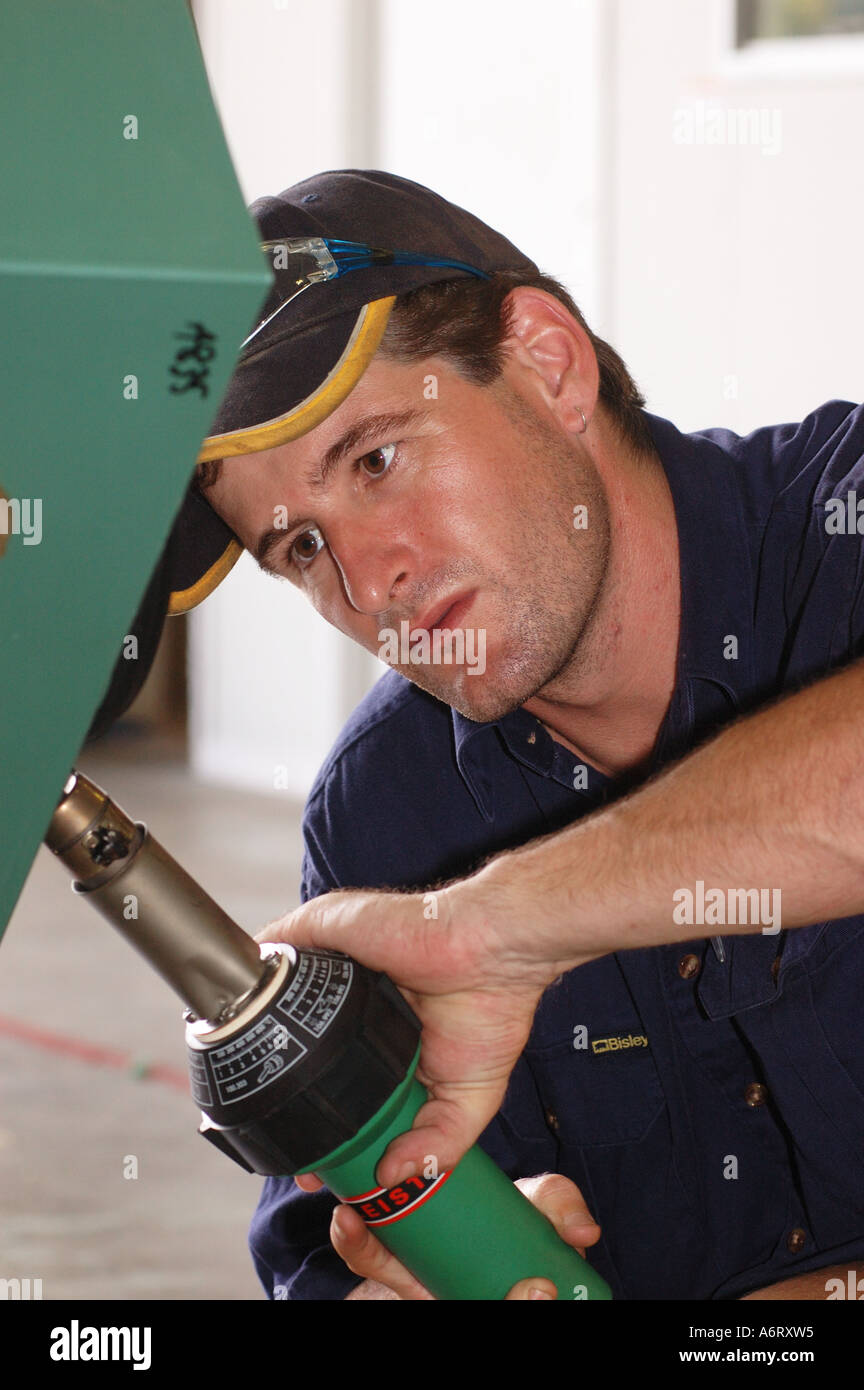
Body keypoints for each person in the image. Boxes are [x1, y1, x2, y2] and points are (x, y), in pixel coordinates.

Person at [100, 169, 864, 1300]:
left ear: (547, 364)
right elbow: (326, 1251)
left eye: (375, 459)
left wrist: (496, 927)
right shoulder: (383, 815)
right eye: (300, 547)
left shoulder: (838, 531)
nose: (369, 578)